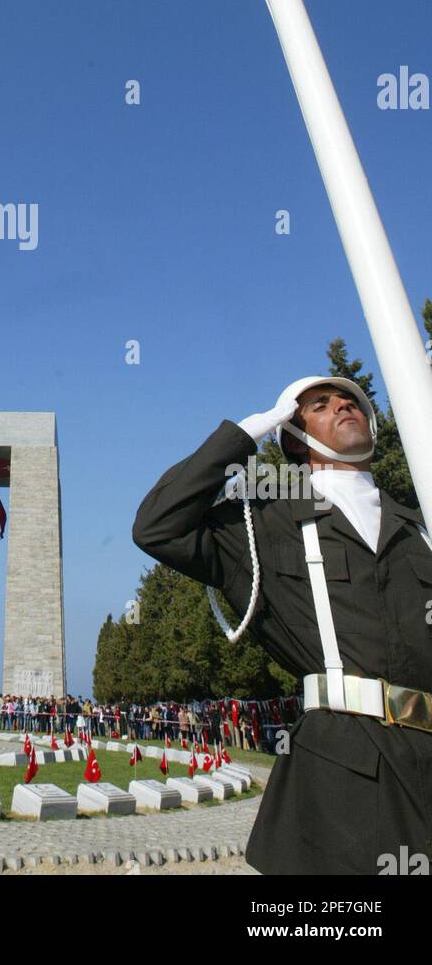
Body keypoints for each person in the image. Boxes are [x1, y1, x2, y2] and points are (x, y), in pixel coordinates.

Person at [133, 374, 432, 876]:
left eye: (352, 400)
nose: (342, 404)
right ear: (294, 437)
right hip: (346, 764)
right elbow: (157, 525)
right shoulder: (263, 519)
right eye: (320, 404)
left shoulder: (416, 525)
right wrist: (246, 434)